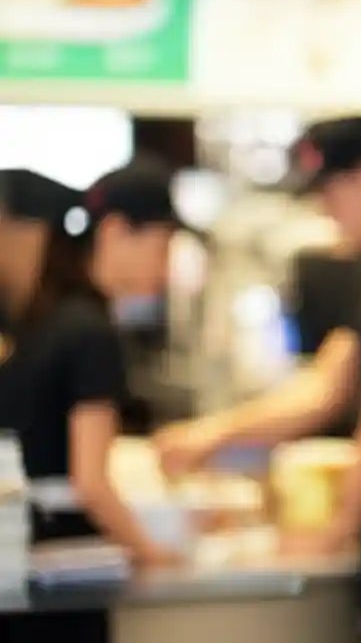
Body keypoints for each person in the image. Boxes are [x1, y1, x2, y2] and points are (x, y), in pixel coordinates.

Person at [155, 116, 361, 643]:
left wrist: (336, 530)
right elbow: (326, 386)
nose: (325, 210)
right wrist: (212, 434)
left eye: (331, 192)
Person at [0, 163, 187, 642]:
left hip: (24, 562)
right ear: (116, 232)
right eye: (161, 248)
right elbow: (91, 481)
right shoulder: (91, 332)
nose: (165, 271)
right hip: (69, 573)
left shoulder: (47, 321)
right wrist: (151, 553)